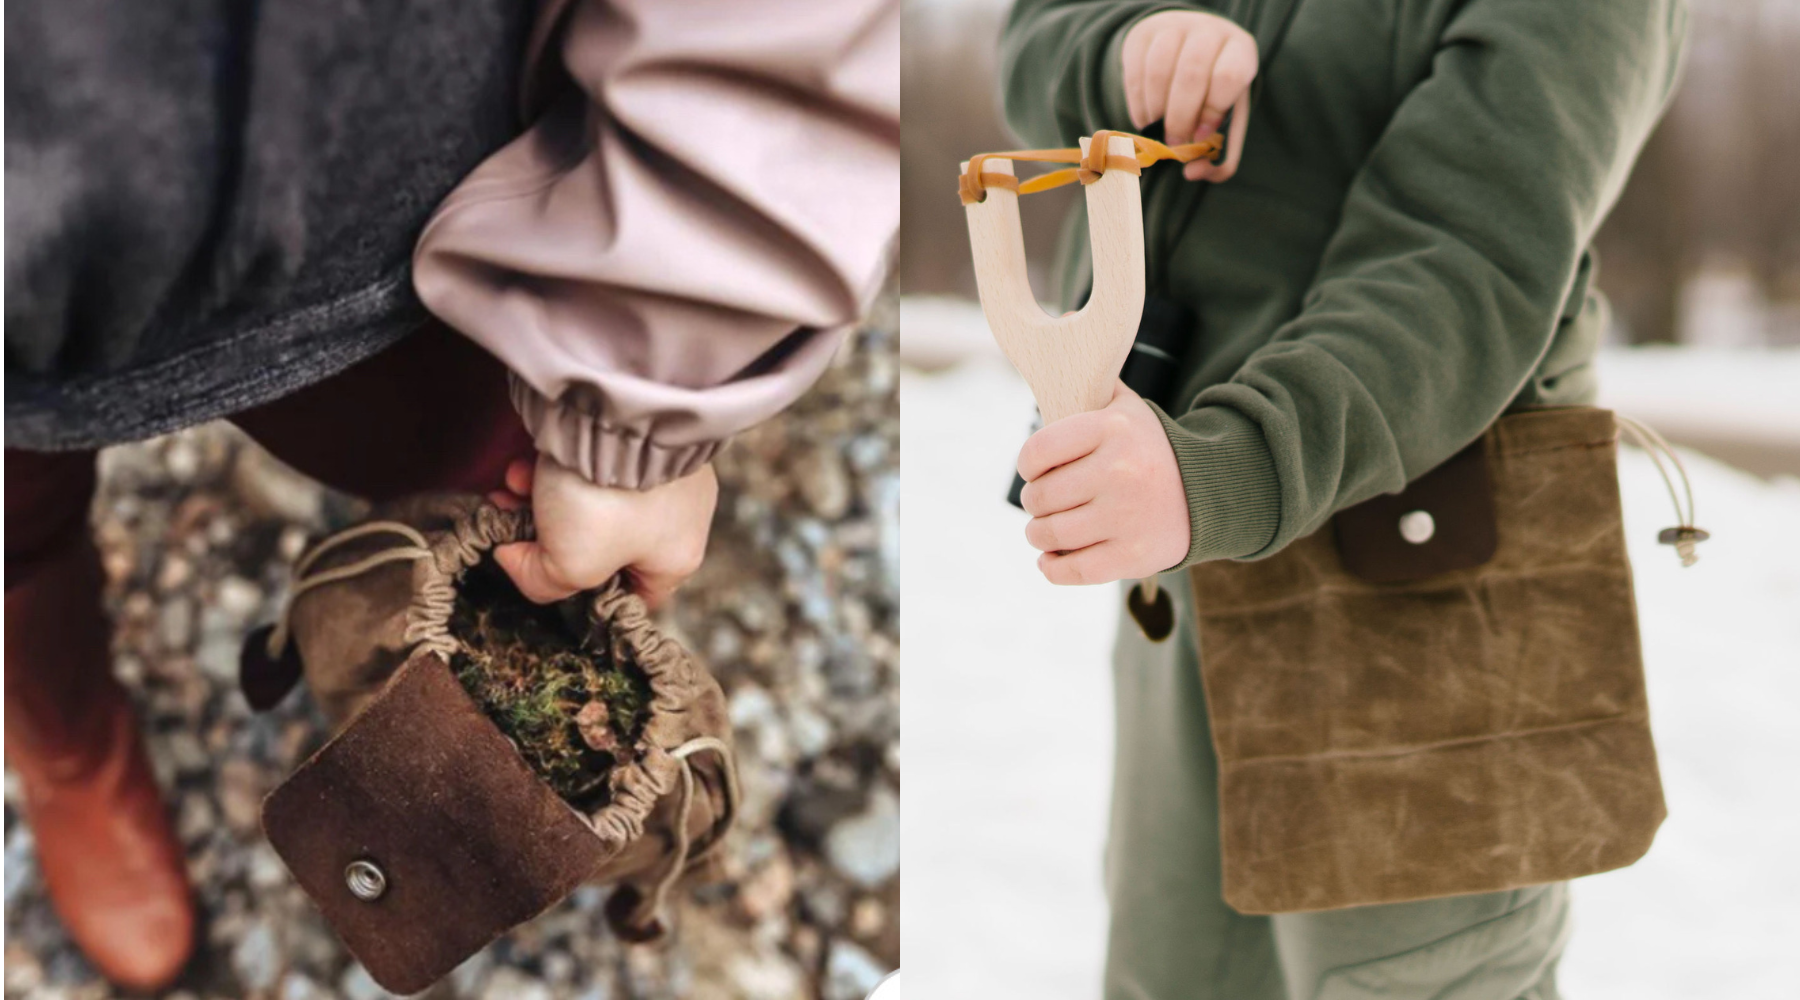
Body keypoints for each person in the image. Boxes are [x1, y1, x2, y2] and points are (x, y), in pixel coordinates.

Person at [4, 0, 898, 989]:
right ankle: (67, 743)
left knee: (486, 498)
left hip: (400, 221)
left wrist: (640, 390)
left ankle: (410, 701)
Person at [999, 1, 1685, 997]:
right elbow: (1031, 38)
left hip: (1418, 564)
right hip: (1180, 532)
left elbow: (1462, 258)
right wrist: (1119, 49)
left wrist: (1222, 473)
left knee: (1411, 975)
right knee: (1177, 973)